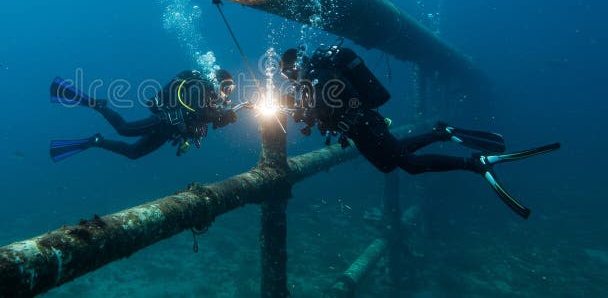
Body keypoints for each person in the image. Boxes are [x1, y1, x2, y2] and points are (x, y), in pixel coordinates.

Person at [280, 44, 560, 219]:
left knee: (410, 165)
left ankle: (475, 163)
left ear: (295, 66)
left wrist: (308, 112)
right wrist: (305, 111)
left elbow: (336, 103)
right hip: (362, 128)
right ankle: (441, 133)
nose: (290, 80)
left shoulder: (319, 76)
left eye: (287, 74)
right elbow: (328, 107)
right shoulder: (317, 77)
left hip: (365, 126)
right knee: (389, 164)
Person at [48, 69, 239, 161]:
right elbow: (196, 111)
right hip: (164, 122)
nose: (226, 93)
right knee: (123, 129)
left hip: (167, 132)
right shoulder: (200, 87)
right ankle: (96, 104)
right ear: (217, 82)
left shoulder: (211, 100)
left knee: (133, 153)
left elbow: (203, 119)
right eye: (226, 88)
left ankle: (95, 141)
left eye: (230, 90)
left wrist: (220, 119)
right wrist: (221, 117)